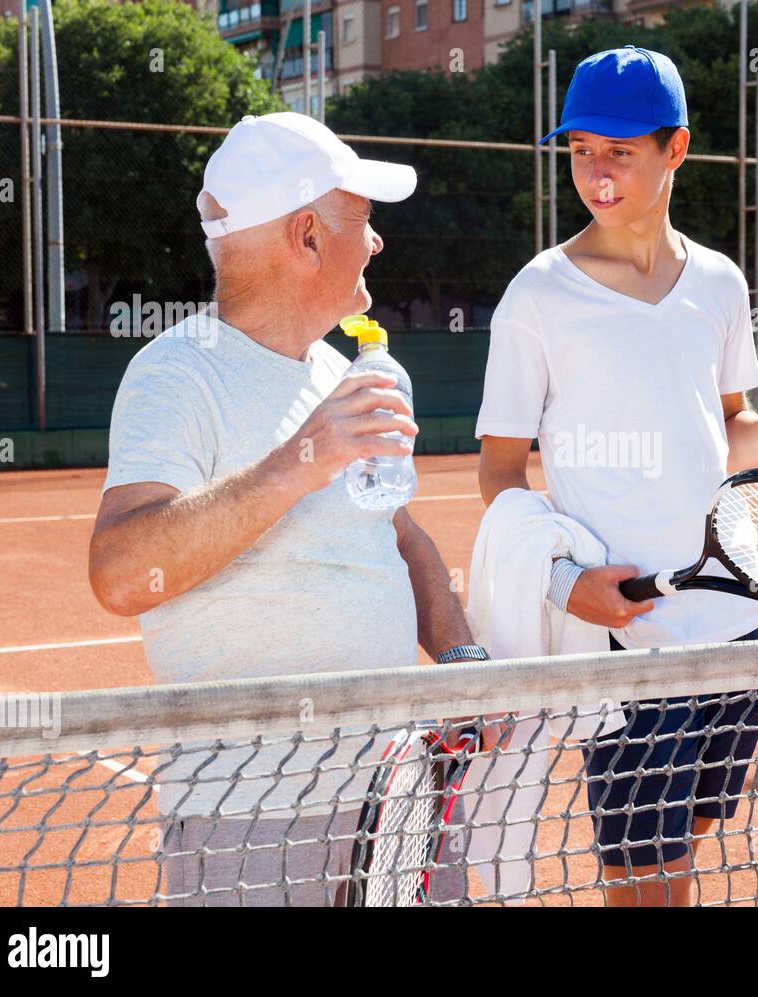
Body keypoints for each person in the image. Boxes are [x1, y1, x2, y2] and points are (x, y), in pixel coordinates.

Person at [88, 112, 490, 906]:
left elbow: (401, 535)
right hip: (254, 816)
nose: (375, 242)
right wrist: (300, 460)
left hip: (397, 798)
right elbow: (121, 573)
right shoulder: (176, 373)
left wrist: (462, 662)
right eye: (363, 220)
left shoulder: (344, 373)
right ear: (307, 236)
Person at [475, 46, 758, 906]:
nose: (596, 174)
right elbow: (497, 475)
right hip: (631, 639)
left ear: (676, 149)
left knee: (686, 842)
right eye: (581, 151)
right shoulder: (536, 298)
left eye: (621, 152)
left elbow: (730, 429)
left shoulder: (718, 281)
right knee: (651, 881)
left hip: (745, 628)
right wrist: (565, 584)